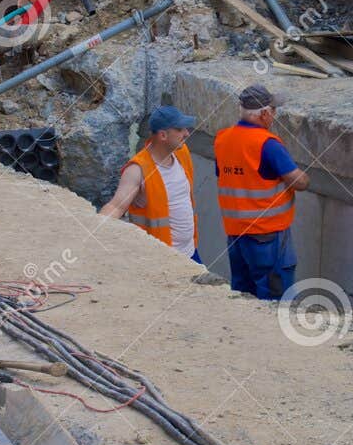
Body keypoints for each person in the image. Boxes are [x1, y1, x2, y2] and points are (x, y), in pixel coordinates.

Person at [100, 105, 224, 283]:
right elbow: (116, 206)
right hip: (162, 261)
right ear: (163, 135)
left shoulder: (182, 153)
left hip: (190, 252)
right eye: (180, 129)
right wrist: (95, 231)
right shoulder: (138, 169)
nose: (186, 133)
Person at [213, 84, 308, 300]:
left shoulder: (222, 139)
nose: (274, 116)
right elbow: (299, 182)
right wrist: (305, 177)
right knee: (275, 297)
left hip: (236, 234)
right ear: (264, 114)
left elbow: (232, 176)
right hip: (267, 235)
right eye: (274, 110)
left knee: (243, 294)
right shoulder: (268, 145)